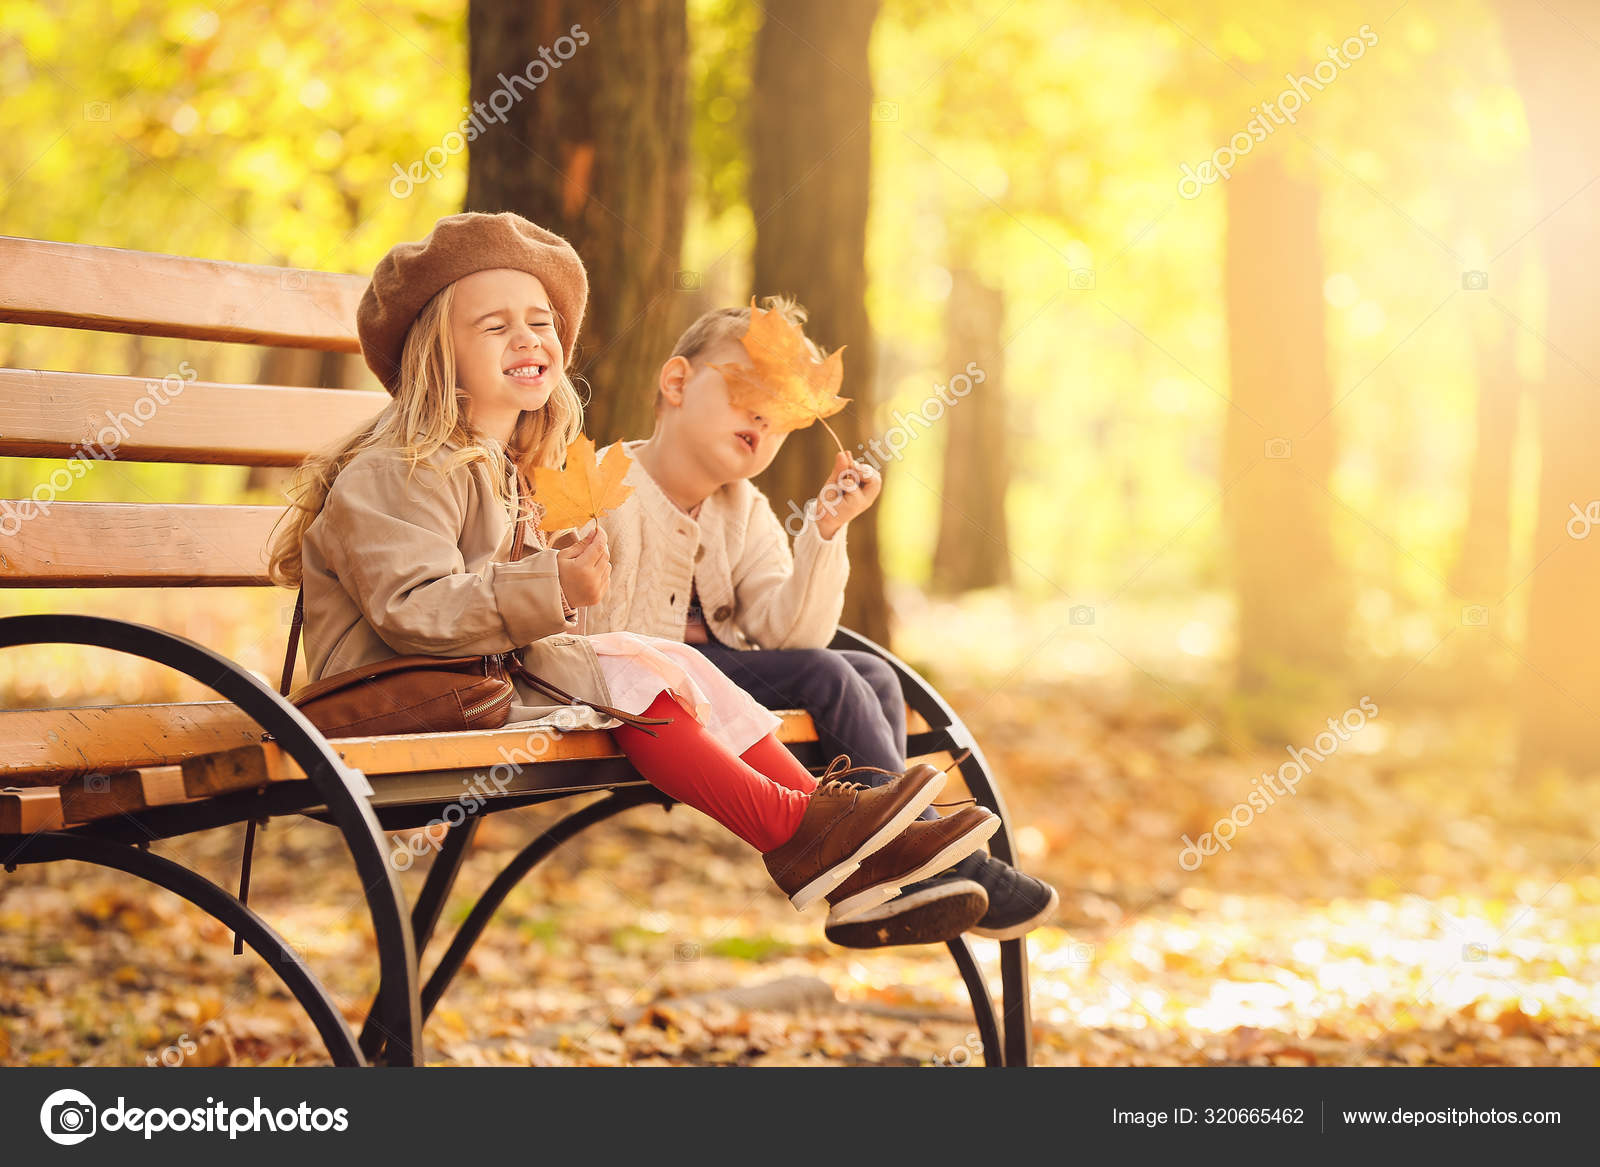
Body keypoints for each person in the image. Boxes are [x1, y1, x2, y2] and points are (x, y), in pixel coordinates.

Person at [264, 213, 997, 924]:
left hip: (475, 682)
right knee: (642, 672)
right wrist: (553, 585)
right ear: (435, 352)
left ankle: (824, 832)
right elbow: (414, 610)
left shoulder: (508, 471)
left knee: (669, 663)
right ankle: (802, 829)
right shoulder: (400, 468)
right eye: (495, 325)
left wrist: (552, 577)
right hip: (391, 696)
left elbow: (501, 602)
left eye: (541, 321)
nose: (527, 336)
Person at [588, 295, 1058, 948]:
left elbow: (788, 633)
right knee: (828, 671)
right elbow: (581, 620)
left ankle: (882, 860)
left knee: (872, 671)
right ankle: (926, 855)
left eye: (779, 417)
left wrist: (825, 531)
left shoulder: (743, 509)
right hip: (644, 676)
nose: (762, 417)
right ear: (675, 383)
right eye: (745, 391)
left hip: (721, 676)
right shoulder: (602, 483)